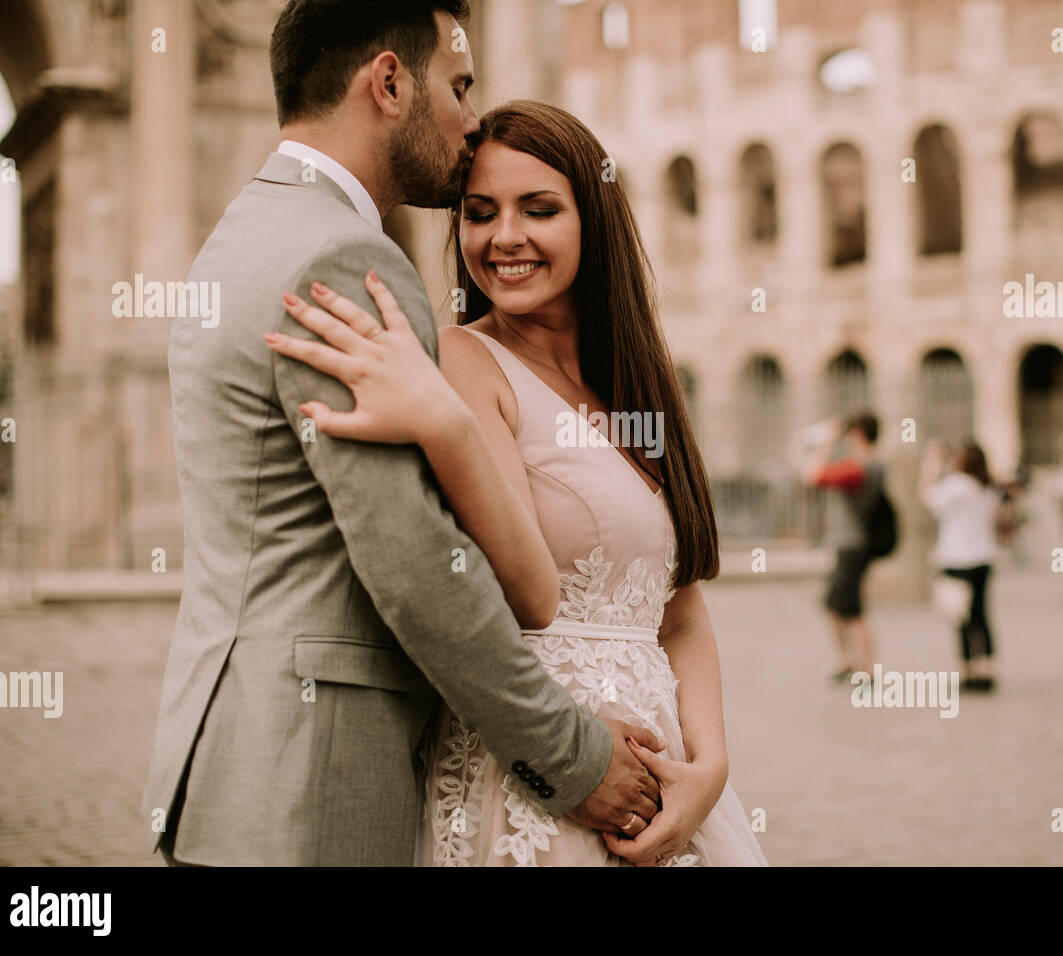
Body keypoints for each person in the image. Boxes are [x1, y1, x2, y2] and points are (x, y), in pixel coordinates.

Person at [144, 1, 670, 866]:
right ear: (388, 82)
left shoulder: (245, 233)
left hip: (242, 762)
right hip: (311, 781)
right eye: (458, 87)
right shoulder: (339, 256)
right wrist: (574, 761)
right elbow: (420, 567)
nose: (471, 121)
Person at [268, 99, 767, 865]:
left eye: (539, 210)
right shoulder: (463, 361)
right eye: (479, 213)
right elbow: (520, 581)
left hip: (667, 785)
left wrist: (709, 768)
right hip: (534, 780)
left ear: (592, 222)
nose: (504, 238)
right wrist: (446, 424)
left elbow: (679, 607)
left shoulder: (635, 382)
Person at [802, 412, 886, 683]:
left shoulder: (859, 467)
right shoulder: (874, 464)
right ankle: (850, 661)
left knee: (852, 608)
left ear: (858, 434)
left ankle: (866, 667)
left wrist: (824, 444)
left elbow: (812, 476)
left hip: (851, 545)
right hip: (851, 544)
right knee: (836, 605)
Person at [920, 440, 1000, 690]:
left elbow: (926, 497)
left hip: (958, 559)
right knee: (981, 615)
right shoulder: (987, 487)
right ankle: (987, 668)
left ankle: (968, 671)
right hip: (983, 557)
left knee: (960, 617)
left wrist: (931, 466)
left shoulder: (957, 485)